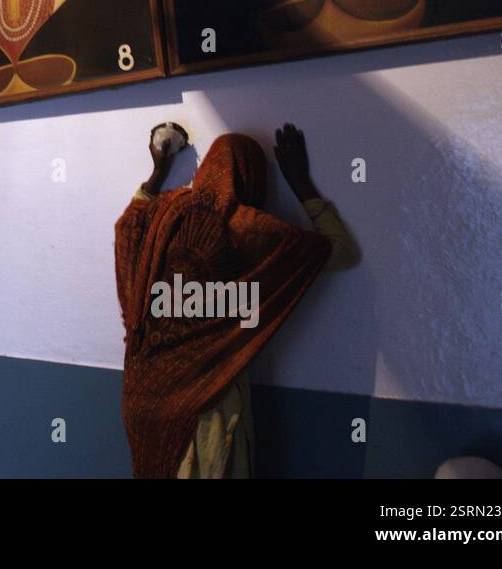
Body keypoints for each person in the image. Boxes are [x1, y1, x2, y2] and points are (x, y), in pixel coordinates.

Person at [114, 123, 359, 478]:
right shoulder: (250, 231)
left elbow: (126, 230)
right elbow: (342, 253)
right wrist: (300, 183)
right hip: (205, 404)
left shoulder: (165, 215)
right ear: (251, 178)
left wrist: (157, 174)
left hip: (143, 396)